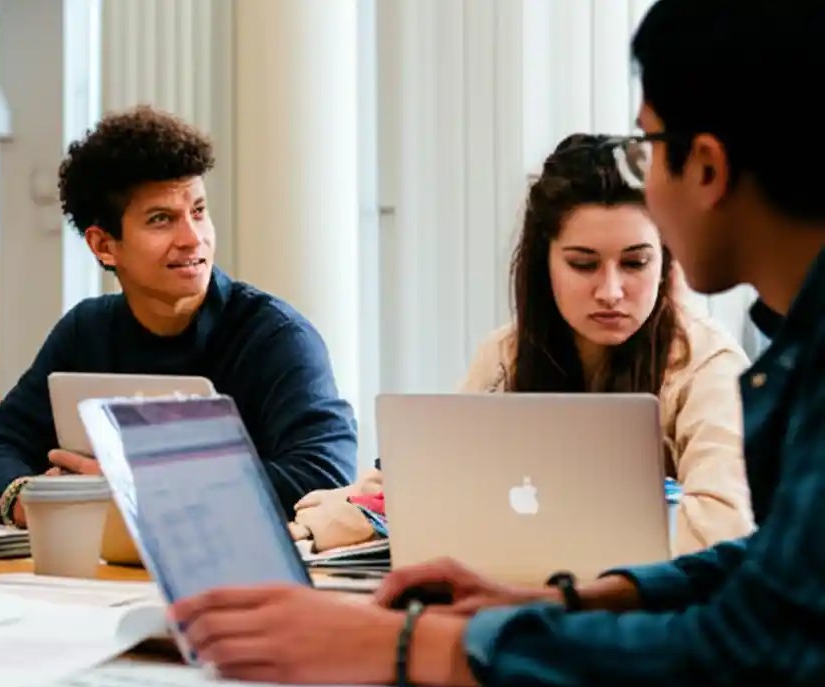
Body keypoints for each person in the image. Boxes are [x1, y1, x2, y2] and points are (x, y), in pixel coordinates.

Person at [171, 1, 825, 687]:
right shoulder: (797, 349)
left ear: (706, 165)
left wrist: (405, 644)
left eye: (646, 145)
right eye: (582, 263)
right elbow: (770, 573)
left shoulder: (736, 365)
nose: (612, 289)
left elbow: (750, 652)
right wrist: (558, 598)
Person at [291, 134, 755, 557]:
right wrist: (328, 525)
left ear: (665, 259)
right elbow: (428, 480)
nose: (611, 290)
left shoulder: (708, 366)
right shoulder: (506, 354)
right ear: (544, 261)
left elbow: (721, 527)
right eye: (583, 264)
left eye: (635, 263)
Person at [0, 105, 357, 526]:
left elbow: (324, 474)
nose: (193, 239)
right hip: (100, 575)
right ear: (104, 246)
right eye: (161, 220)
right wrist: (25, 498)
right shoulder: (86, 331)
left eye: (198, 211)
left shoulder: (275, 336)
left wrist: (144, 488)